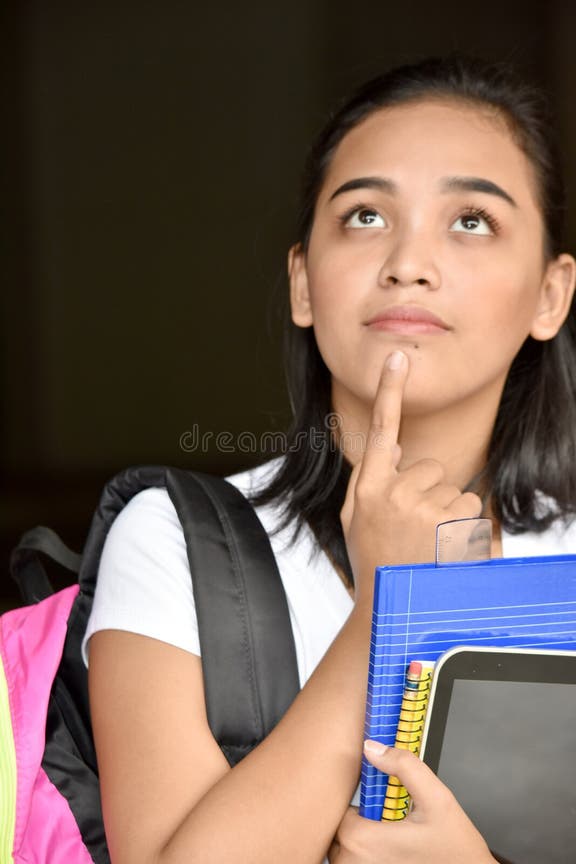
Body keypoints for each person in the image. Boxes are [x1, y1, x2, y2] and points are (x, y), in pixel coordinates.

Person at [85, 54, 576, 864]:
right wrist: (388, 602)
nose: (408, 263)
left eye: (471, 221)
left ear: (549, 297)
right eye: (365, 217)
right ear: (304, 283)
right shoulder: (178, 541)